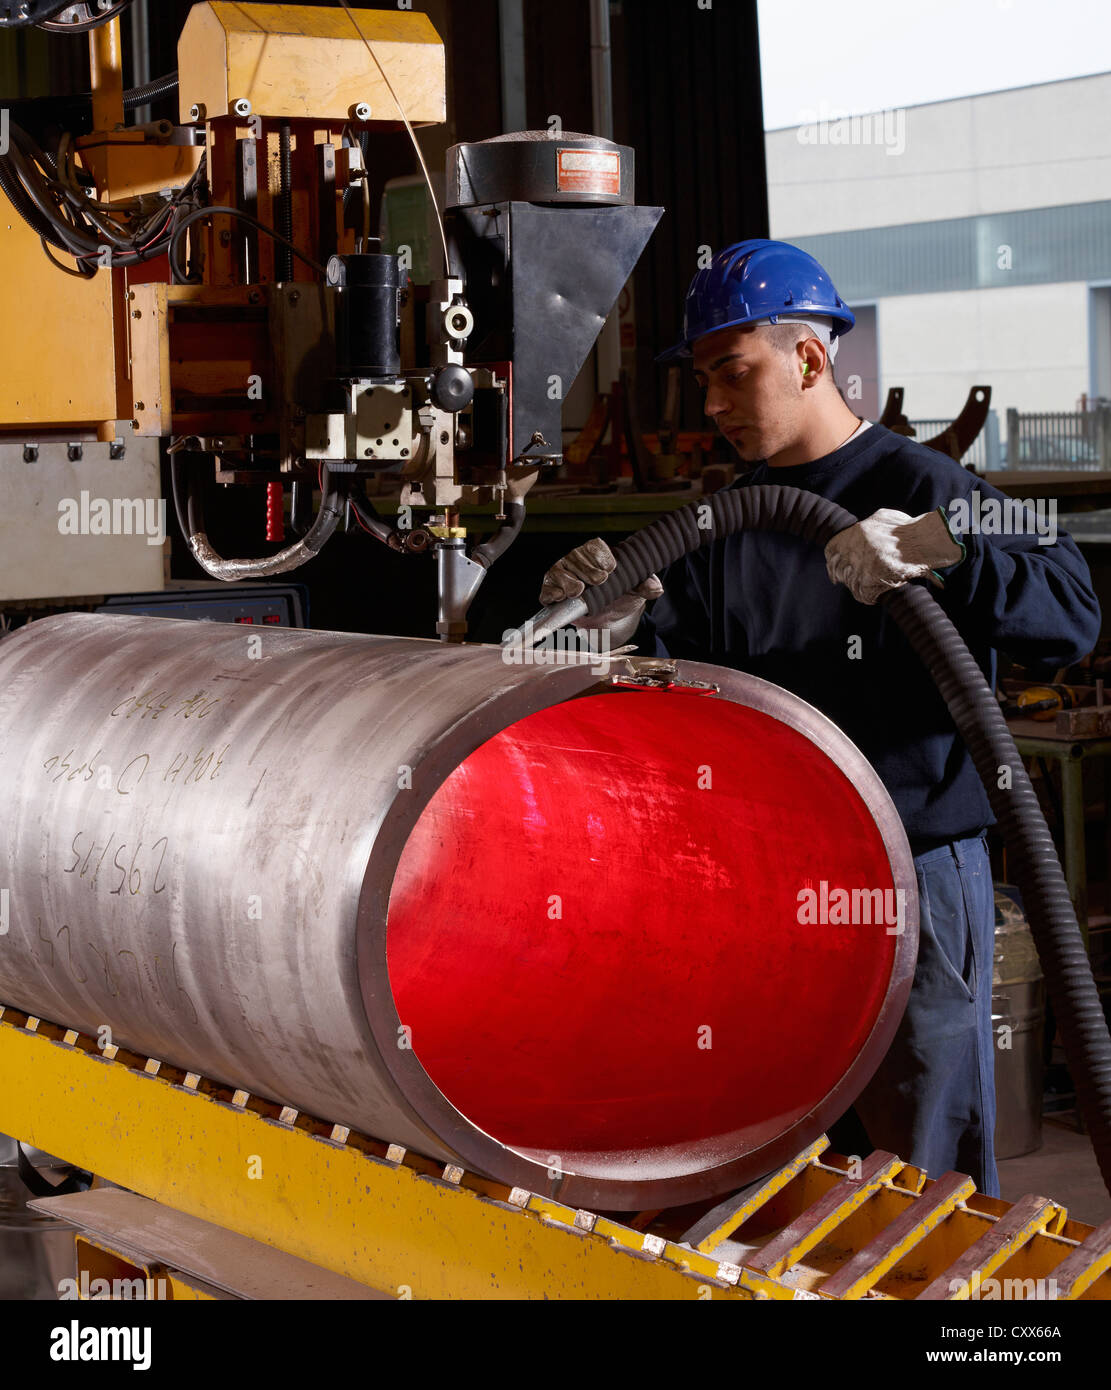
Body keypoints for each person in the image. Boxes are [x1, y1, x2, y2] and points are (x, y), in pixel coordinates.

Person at [539, 239, 1102, 1195]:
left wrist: (936, 550)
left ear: (806, 358)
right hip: (774, 880)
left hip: (909, 876)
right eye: (703, 380)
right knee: (791, 1151)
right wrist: (617, 621)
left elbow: (1070, 606)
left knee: (922, 1154)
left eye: (731, 373)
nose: (712, 404)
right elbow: (693, 666)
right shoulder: (732, 516)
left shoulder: (922, 488)